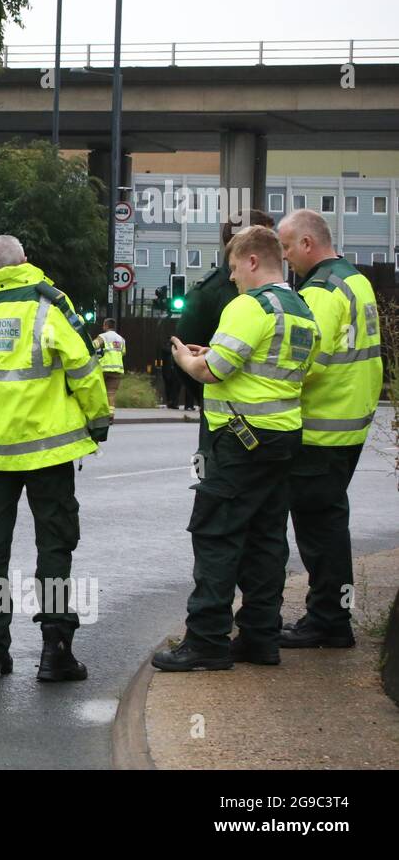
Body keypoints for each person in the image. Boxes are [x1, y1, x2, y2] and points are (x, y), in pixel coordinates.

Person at [154, 225, 320, 672]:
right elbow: (268, 367)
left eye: (233, 268)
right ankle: (261, 639)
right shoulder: (301, 308)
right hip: (283, 437)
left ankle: (206, 641)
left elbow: (213, 373)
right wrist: (215, 354)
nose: (231, 279)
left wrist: (188, 359)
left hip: (239, 441)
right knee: (267, 539)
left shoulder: (249, 306)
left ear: (251, 261)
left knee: (217, 536)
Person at [0, 235, 111, 680]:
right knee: (54, 548)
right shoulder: (49, 302)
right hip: (48, 445)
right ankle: (54, 652)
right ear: (25, 261)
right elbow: (82, 364)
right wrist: (97, 418)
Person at [276, 210, 383, 649]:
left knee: (320, 530)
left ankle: (328, 622)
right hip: (350, 422)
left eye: (285, 247)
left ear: (306, 243)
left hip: (322, 426)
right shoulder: (354, 279)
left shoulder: (320, 291)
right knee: (331, 521)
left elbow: (307, 362)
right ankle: (333, 616)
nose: (284, 257)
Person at [177, 211, 277, 416]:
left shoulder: (276, 293)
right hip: (226, 423)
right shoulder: (209, 294)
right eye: (266, 239)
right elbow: (183, 353)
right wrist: (211, 395)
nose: (275, 250)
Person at [92, 319, 127, 412]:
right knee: (111, 393)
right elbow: (123, 353)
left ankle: (100, 413)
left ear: (106, 326)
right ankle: (111, 415)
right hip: (117, 370)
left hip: (104, 369)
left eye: (103, 325)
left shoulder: (103, 337)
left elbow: (93, 346)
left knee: (99, 392)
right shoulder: (121, 339)